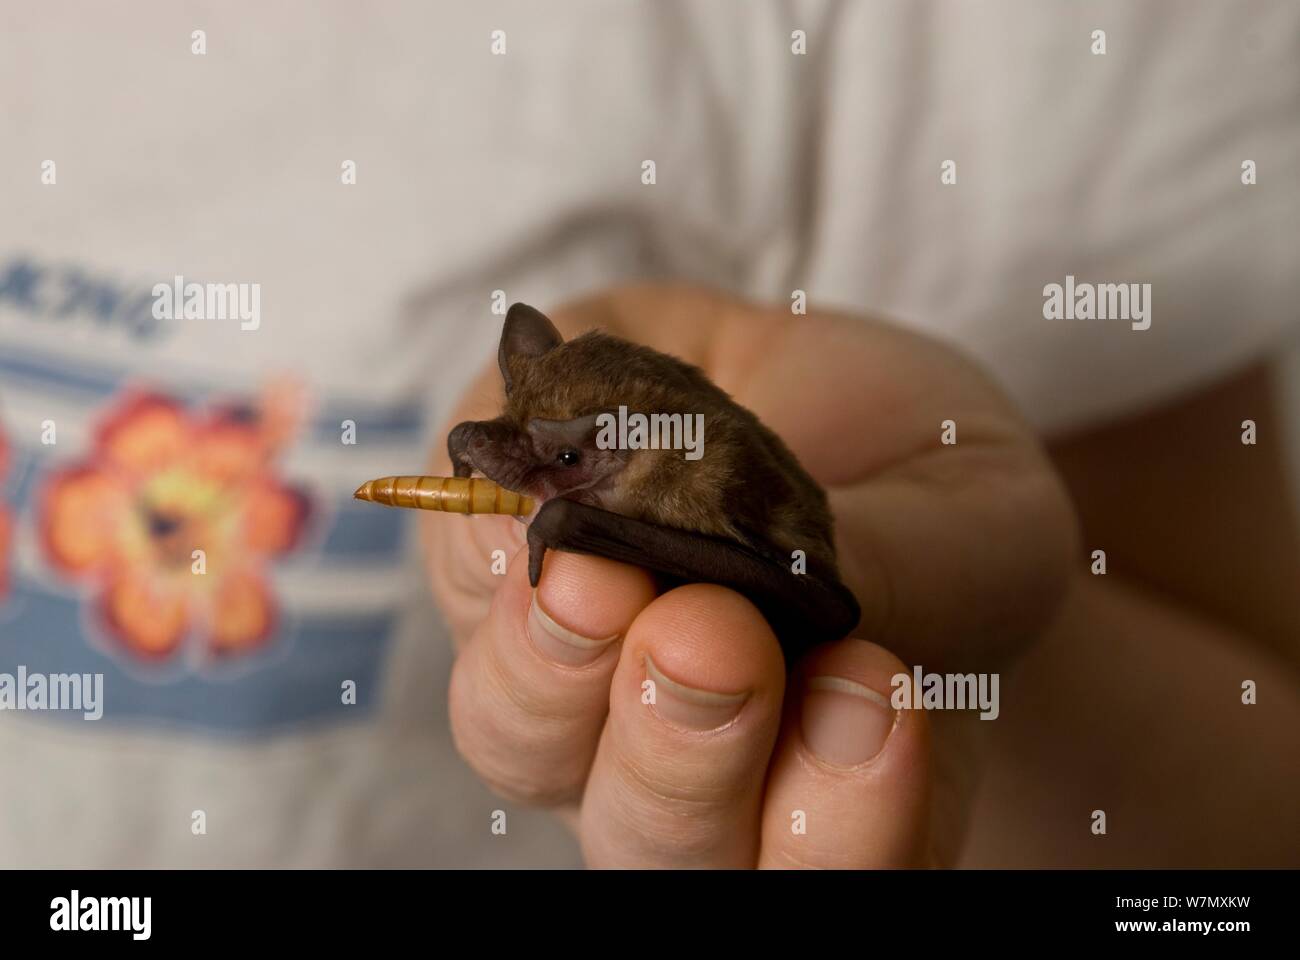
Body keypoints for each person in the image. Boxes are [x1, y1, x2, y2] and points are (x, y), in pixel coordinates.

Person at [1, 1, 1296, 868]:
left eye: (562, 455)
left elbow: (1250, 811)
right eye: (528, 437)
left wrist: (972, 624)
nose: (522, 469)